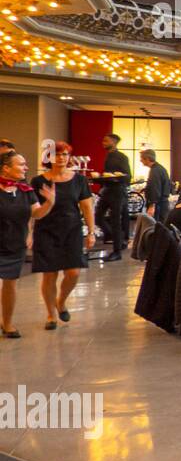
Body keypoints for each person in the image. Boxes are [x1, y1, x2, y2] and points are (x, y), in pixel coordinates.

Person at [31, 142, 95, 331]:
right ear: (48, 158)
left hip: (72, 229)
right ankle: (51, 314)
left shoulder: (79, 180)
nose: (62, 158)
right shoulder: (38, 181)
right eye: (57, 154)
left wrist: (91, 232)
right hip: (46, 230)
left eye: (65, 154)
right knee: (49, 274)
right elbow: (33, 210)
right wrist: (28, 233)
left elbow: (87, 207)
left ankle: (61, 301)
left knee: (73, 272)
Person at [0, 149, 54, 337]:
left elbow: (36, 213)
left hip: (15, 245)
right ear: (5, 169)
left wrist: (49, 203)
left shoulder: (26, 191)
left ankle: (7, 323)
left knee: (10, 285)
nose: (26, 168)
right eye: (21, 164)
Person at [99, 132, 132, 261]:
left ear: (114, 142)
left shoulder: (121, 157)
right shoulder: (108, 156)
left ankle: (117, 251)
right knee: (98, 217)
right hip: (107, 190)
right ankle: (117, 238)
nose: (103, 143)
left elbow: (128, 176)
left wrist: (115, 177)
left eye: (106, 141)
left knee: (115, 220)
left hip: (118, 192)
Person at [140, 148, 171, 224]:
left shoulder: (155, 171)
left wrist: (152, 205)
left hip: (158, 205)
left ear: (147, 159)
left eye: (142, 159)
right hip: (162, 203)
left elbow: (155, 189)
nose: (140, 161)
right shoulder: (160, 168)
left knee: (156, 227)